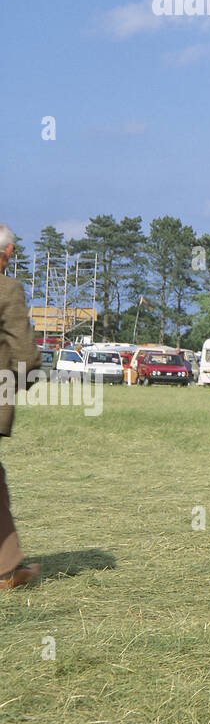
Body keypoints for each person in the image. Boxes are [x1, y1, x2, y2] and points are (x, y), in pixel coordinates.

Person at [0, 223, 41, 591]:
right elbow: (26, 355)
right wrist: (16, 386)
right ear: (9, 253)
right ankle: (8, 572)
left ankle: (9, 568)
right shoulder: (7, 288)